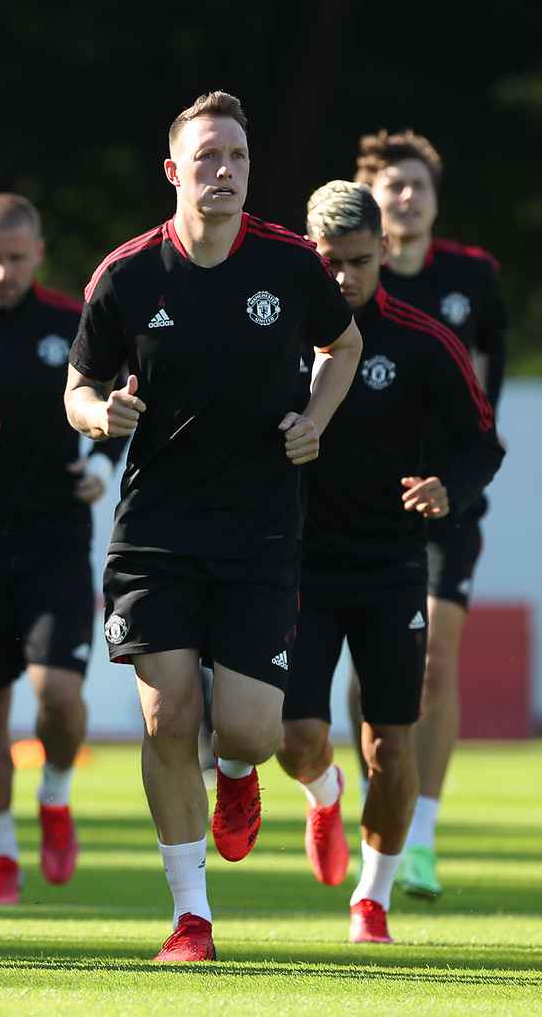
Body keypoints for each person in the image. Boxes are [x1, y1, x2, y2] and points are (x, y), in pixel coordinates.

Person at [64, 91, 361, 961]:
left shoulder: (291, 265)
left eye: (235, 155)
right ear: (174, 172)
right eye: (206, 158)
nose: (223, 171)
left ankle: (238, 774)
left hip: (261, 532)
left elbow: (340, 347)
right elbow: (79, 385)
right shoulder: (126, 276)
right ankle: (191, 917)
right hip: (153, 534)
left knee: (250, 731)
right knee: (165, 720)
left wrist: (317, 417)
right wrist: (94, 418)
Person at [276, 179, 500, 944]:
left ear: (383, 257)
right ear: (310, 253)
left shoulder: (421, 341)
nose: (343, 278)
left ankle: (371, 900)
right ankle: (323, 796)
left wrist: (449, 487)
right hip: (298, 566)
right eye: (330, 261)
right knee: (292, 737)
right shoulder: (272, 336)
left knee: (390, 739)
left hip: (390, 568)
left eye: (360, 263)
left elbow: (481, 442)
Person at [0, 193, 118, 906]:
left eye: (16, 258)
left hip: (54, 542)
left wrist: (103, 467)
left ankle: (54, 794)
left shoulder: (71, 325)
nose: (4, 271)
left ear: (38, 254)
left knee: (59, 698)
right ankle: (0, 852)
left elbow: (117, 406)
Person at [350, 131, 508, 900]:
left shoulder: (473, 278)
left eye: (418, 184)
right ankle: (378, 797)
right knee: (369, 669)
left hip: (444, 503)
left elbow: (489, 389)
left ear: (436, 197)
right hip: (352, 511)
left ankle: (421, 836)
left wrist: (458, 478)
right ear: (369, 200)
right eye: (392, 185)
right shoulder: (344, 278)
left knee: (436, 662)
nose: (406, 196)